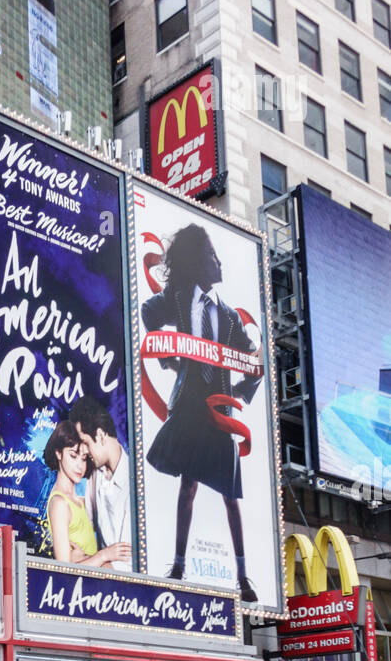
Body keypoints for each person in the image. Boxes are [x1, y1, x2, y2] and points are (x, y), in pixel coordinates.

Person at [140, 223, 261, 603]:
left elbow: (254, 359)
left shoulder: (229, 316)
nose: (218, 262)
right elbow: (147, 313)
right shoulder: (178, 298)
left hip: (219, 409)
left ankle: (243, 577)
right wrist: (168, 360)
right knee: (187, 486)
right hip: (189, 405)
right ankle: (178, 565)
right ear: (197, 261)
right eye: (211, 255)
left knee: (229, 495)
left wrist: (241, 391)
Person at [43, 420, 132, 568]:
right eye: (73, 456)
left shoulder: (81, 501)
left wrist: (86, 557)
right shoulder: (60, 504)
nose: (80, 466)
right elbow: (63, 570)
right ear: (58, 453)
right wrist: (104, 555)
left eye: (84, 458)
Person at [70, 395, 132, 570]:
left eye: (85, 442)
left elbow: (125, 566)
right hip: (98, 572)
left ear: (100, 435)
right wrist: (94, 556)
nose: (83, 450)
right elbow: (83, 535)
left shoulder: (133, 484)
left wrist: (89, 560)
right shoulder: (96, 474)